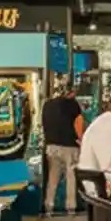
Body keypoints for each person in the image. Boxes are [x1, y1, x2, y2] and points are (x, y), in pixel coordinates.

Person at [42, 86, 85, 214]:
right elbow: (79, 123)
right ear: (71, 93)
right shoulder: (73, 105)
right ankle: (70, 207)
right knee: (71, 177)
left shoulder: (47, 104)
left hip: (51, 146)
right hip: (69, 147)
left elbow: (43, 123)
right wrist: (81, 139)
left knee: (52, 176)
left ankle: (49, 205)